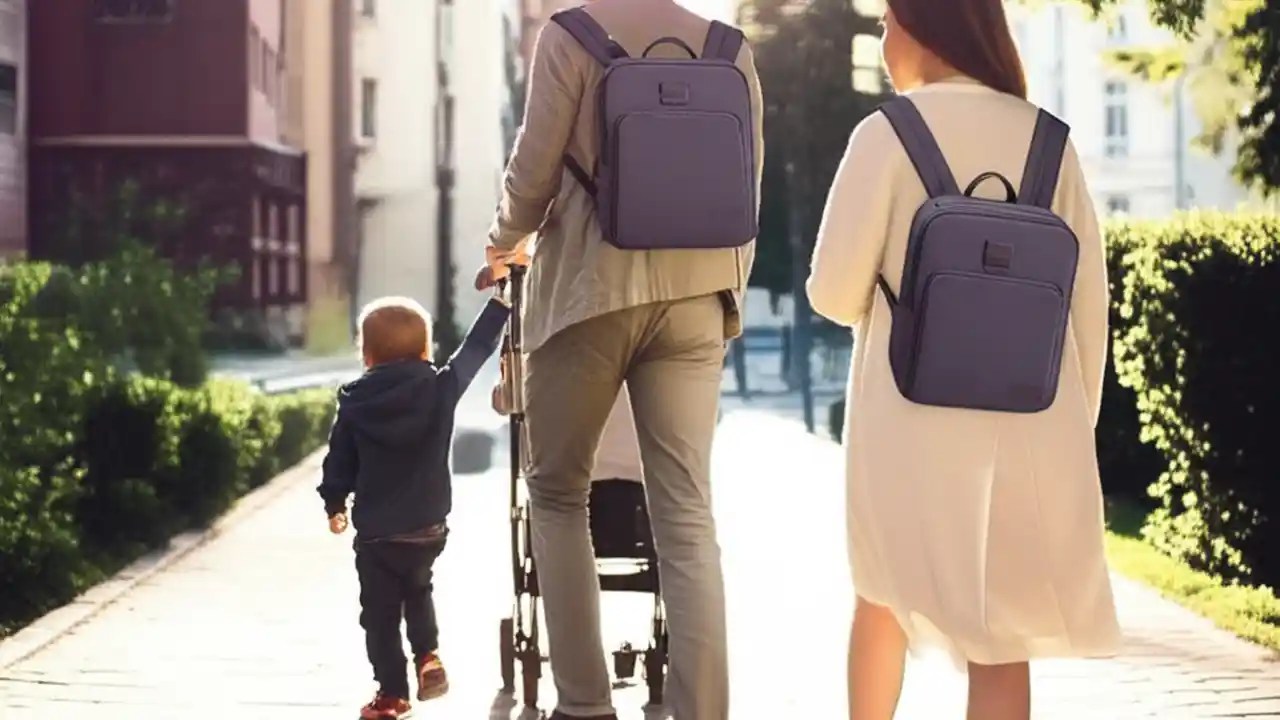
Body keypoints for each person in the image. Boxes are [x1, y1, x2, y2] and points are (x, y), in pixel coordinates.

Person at [805, 2, 1121, 719]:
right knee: (1002, 634)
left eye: (887, 20)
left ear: (923, 26)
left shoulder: (885, 135)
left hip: (906, 424)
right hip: (1025, 427)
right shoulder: (1051, 142)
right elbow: (1087, 307)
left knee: (881, 598)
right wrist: (1074, 429)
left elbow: (831, 291)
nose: (883, 38)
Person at [476, 0, 764, 716]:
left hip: (587, 292)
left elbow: (533, 171)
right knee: (686, 513)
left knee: (556, 492)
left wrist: (503, 240)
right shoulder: (729, 50)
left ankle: (585, 706)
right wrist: (723, 287)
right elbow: (744, 188)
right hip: (697, 298)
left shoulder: (569, 38)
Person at [317, 293, 510, 720]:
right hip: (427, 524)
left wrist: (334, 502)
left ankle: (391, 694)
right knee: (418, 587)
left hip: (377, 533)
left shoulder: (355, 402)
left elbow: (340, 459)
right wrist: (501, 302)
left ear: (366, 355)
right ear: (426, 350)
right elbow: (476, 348)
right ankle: (428, 656)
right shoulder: (440, 388)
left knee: (381, 615)